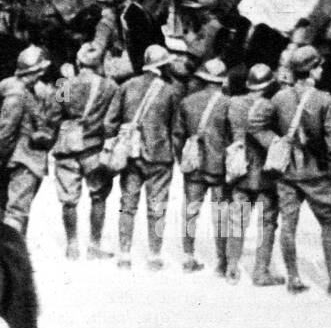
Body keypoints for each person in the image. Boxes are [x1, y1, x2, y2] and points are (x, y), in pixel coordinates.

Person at [249, 44, 331, 296]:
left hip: (287, 173)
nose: (321, 70)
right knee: (329, 223)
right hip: (315, 172)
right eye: (318, 66)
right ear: (311, 71)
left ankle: (294, 278)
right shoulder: (324, 99)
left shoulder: (279, 97)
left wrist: (276, 144)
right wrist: (329, 170)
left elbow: (256, 124)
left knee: (288, 224)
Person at [102, 44, 179, 269]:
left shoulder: (126, 86)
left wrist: (120, 141)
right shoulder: (171, 91)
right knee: (158, 208)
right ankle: (154, 255)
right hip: (160, 157)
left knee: (127, 204)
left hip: (131, 155)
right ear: (163, 65)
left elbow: (109, 122)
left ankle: (125, 254)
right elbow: (176, 128)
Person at [51, 43, 117, 259]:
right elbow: (112, 119)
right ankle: (94, 245)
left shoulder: (63, 84)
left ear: (79, 62)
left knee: (69, 199)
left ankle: (72, 245)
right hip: (94, 148)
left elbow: (53, 115)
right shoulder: (110, 86)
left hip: (67, 146)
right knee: (98, 196)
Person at [0, 45, 56, 236]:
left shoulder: (5, 85)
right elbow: (6, 129)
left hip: (6, 156)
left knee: (1, 203)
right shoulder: (26, 92)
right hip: (25, 158)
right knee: (17, 211)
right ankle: (11, 254)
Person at [225, 64, 285, 285]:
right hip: (265, 175)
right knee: (267, 222)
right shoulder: (271, 107)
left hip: (239, 170)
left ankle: (231, 267)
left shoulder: (233, 103)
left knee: (236, 221)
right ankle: (261, 272)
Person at [174, 58, 231, 274]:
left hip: (194, 165)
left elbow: (178, 136)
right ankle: (222, 261)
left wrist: (184, 159)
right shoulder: (228, 103)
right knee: (221, 213)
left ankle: (188, 257)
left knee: (190, 211)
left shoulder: (188, 102)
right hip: (218, 167)